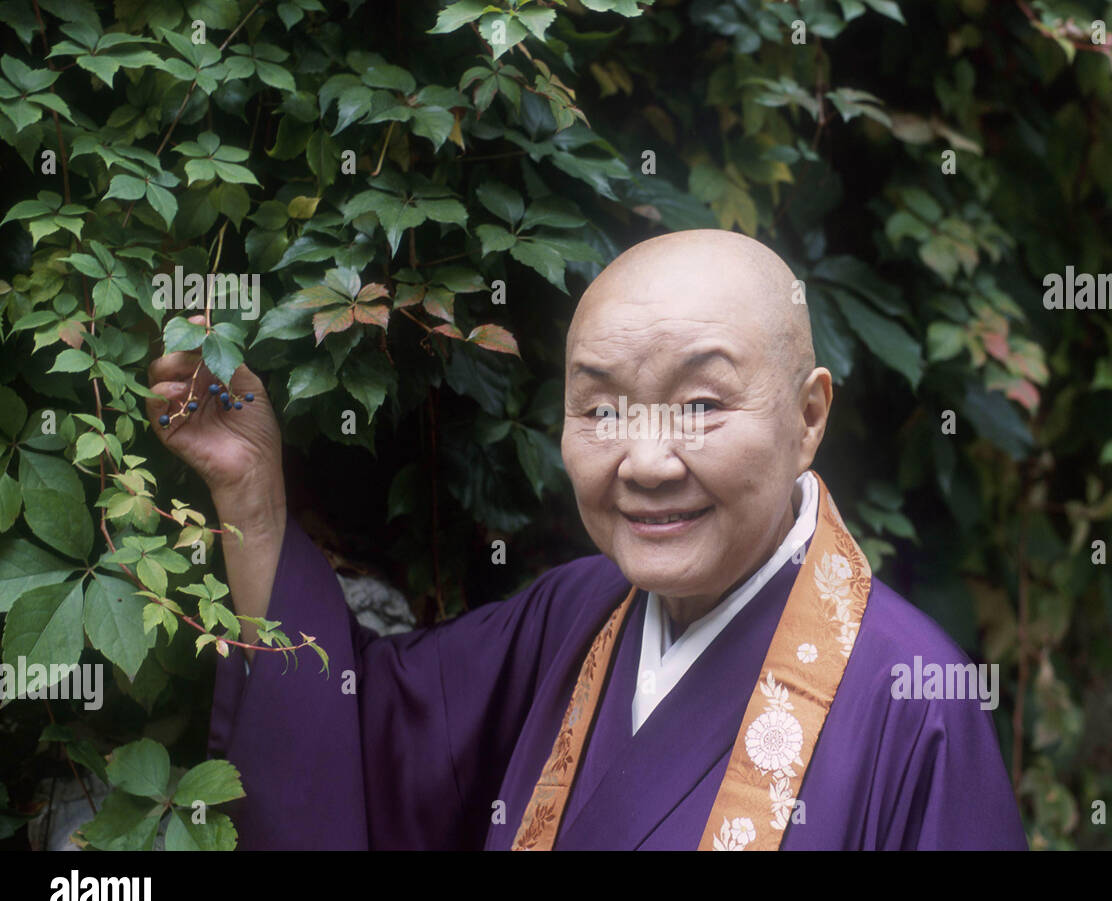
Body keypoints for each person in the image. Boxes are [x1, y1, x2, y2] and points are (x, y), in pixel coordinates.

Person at [147, 229, 1027, 850]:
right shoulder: (578, 612)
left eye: (700, 406)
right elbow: (359, 737)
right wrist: (253, 501)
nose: (645, 463)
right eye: (602, 408)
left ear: (808, 418)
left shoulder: (916, 700)